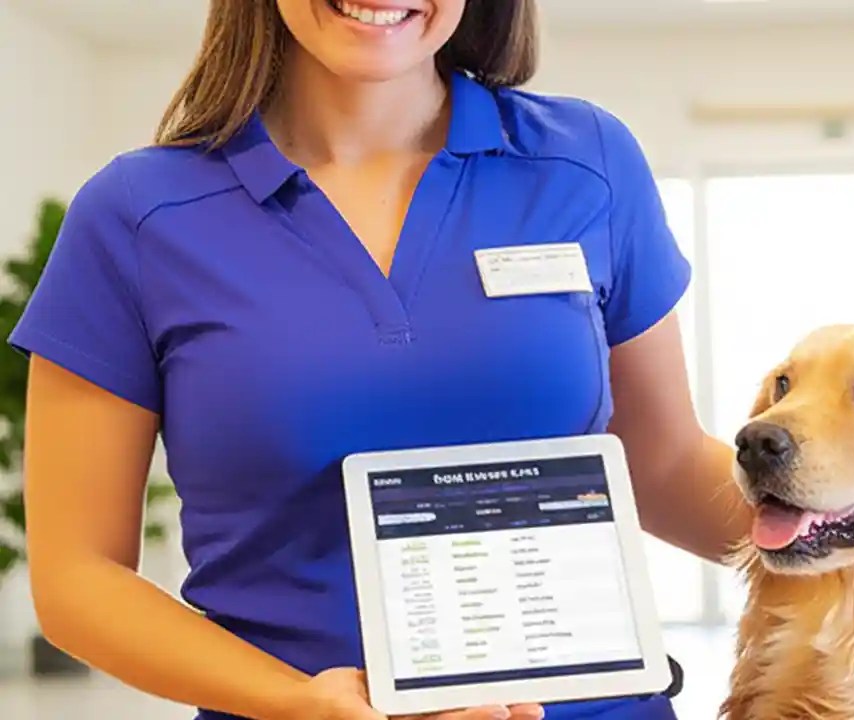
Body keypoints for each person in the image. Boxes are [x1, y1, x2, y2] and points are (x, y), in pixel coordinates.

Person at [12, 2, 749, 719]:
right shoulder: (136, 215)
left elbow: (664, 467)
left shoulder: (586, 162)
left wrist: (823, 526)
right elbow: (78, 577)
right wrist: (297, 703)